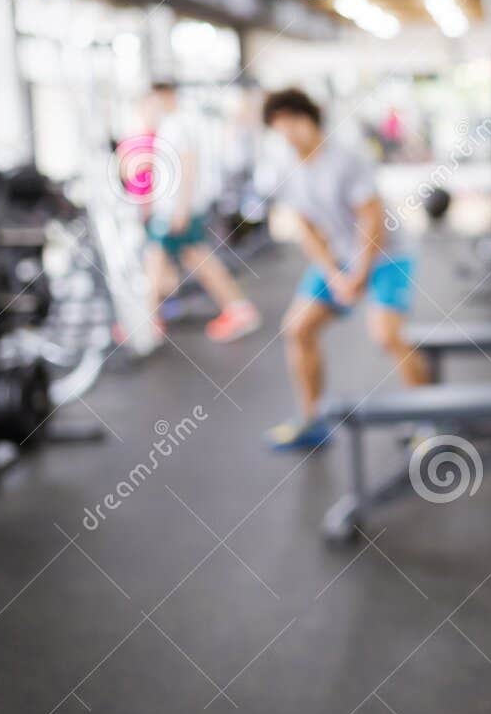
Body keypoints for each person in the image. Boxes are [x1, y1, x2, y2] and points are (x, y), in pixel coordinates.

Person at [260, 88, 431, 451]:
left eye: (293, 123)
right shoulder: (286, 167)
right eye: (279, 127)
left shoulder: (346, 158)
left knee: (387, 335)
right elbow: (305, 227)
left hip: (387, 254)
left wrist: (360, 275)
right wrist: (335, 274)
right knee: (297, 328)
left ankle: (428, 421)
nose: (288, 133)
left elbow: (373, 221)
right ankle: (312, 421)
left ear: (310, 120)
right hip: (338, 257)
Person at [134, 83, 258, 343]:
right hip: (173, 208)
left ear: (165, 97)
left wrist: (181, 209)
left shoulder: (177, 126)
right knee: (188, 258)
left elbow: (188, 167)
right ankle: (236, 308)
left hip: (175, 210)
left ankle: (148, 324)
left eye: (153, 100)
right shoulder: (172, 125)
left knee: (164, 258)